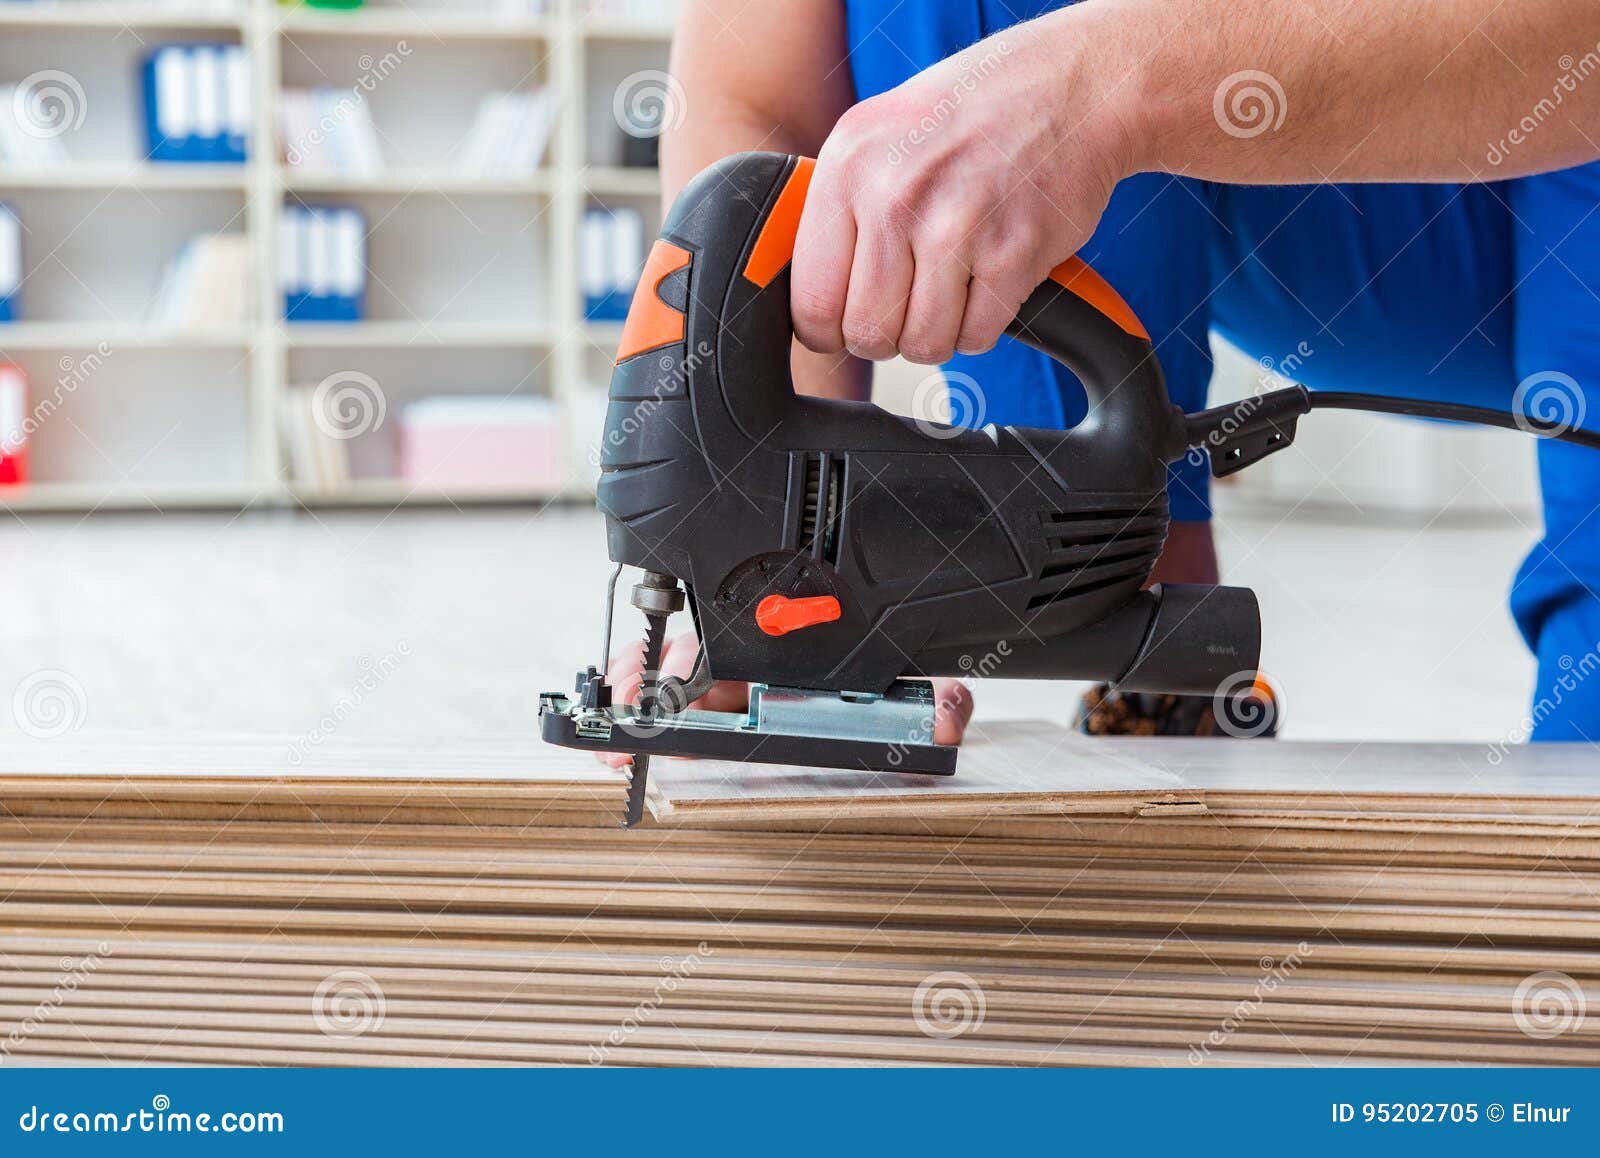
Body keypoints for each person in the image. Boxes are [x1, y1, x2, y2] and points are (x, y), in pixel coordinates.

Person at [608, 0, 1600, 748]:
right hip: (1302, 147)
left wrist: (1103, 84)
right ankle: (1142, 651)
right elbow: (759, 100)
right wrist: (774, 551)